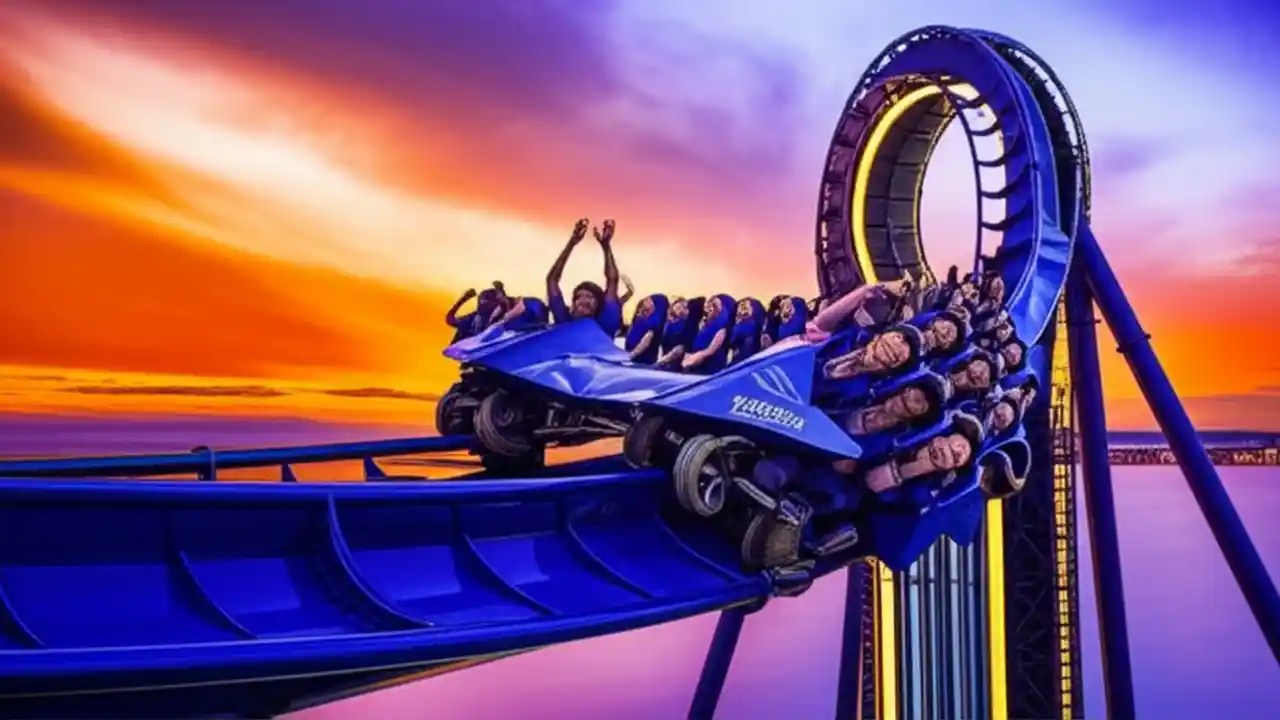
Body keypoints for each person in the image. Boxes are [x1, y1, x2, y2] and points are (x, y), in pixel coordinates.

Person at [545, 218, 624, 335]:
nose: (583, 300)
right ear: (573, 303)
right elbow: (552, 280)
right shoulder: (564, 320)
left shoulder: (605, 324)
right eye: (579, 296)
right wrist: (571, 243)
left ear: (599, 304)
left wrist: (606, 247)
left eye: (589, 296)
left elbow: (612, 280)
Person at [682, 294, 735, 374]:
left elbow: (710, 351)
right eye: (709, 305)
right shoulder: (703, 324)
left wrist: (692, 359)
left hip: (711, 366)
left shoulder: (722, 328)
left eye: (714, 306)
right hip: (695, 364)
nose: (710, 308)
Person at [657, 297, 704, 369]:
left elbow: (681, 348)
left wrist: (662, 361)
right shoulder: (668, 323)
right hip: (664, 361)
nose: (681, 309)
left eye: (684, 307)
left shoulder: (688, 326)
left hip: (676, 365)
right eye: (678, 306)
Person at [625, 294, 668, 364]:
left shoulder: (654, 322)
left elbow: (646, 341)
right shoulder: (641, 316)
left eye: (649, 300)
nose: (645, 301)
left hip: (643, 360)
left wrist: (631, 355)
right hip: (631, 355)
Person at [729, 298, 767, 365]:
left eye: (744, 307)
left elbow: (731, 341)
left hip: (742, 361)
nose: (740, 310)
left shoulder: (742, 327)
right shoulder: (757, 326)